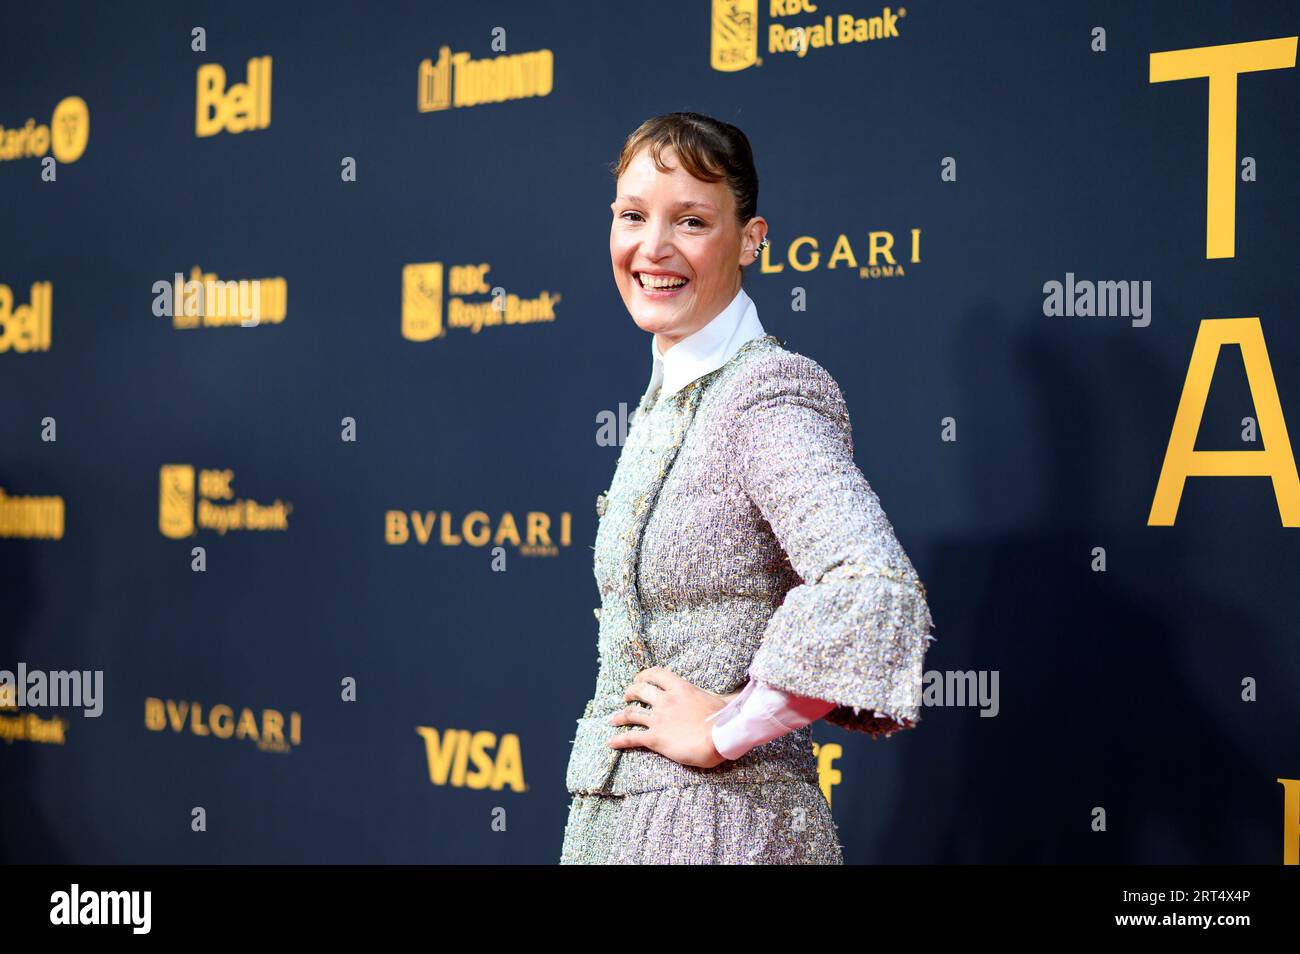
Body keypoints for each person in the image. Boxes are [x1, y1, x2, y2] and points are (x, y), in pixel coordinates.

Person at [560, 112, 933, 864]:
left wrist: (725, 727)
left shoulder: (766, 394)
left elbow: (873, 587)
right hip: (625, 829)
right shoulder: (676, 394)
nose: (652, 248)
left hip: (726, 830)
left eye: (691, 221)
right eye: (633, 216)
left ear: (751, 239)